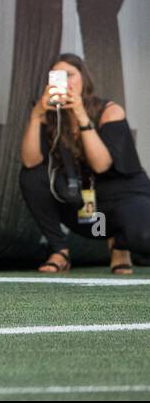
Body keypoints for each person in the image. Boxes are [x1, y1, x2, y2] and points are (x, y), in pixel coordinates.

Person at [20, 54, 150, 274]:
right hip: (84, 207)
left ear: (84, 79)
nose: (65, 82)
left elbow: (100, 165)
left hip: (123, 198)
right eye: (58, 76)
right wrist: (36, 116)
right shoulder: (50, 114)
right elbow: (30, 161)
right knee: (32, 176)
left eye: (70, 75)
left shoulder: (109, 111)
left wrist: (80, 115)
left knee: (145, 237)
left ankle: (120, 244)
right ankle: (59, 251)